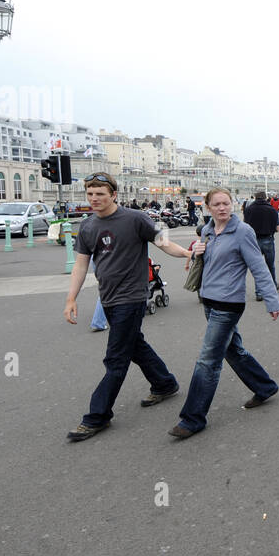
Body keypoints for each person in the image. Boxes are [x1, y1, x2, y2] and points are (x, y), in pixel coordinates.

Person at [63, 172, 193, 443]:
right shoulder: (87, 227)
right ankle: (164, 383)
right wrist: (71, 298)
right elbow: (81, 264)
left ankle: (96, 417)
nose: (94, 198)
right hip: (108, 297)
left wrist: (188, 254)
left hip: (132, 297)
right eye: (90, 194)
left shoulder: (135, 219)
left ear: (113, 195)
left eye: (100, 193)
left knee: (116, 358)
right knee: (135, 345)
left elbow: (163, 242)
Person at [170, 187, 279, 439]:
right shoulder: (208, 230)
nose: (222, 208)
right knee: (233, 350)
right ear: (208, 207)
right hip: (209, 300)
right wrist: (198, 252)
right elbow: (211, 263)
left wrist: (272, 300)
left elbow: (259, 267)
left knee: (208, 360)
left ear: (233, 205)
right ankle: (265, 387)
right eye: (217, 204)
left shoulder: (243, 232)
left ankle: (193, 418)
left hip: (228, 303)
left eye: (226, 203)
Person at [242, 190, 279, 300]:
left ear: (255, 197)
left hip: (253, 241)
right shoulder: (272, 210)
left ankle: (259, 293)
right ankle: (272, 287)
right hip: (268, 239)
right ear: (265, 198)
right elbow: (277, 228)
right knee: (270, 266)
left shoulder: (248, 210)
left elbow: (245, 227)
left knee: (257, 268)